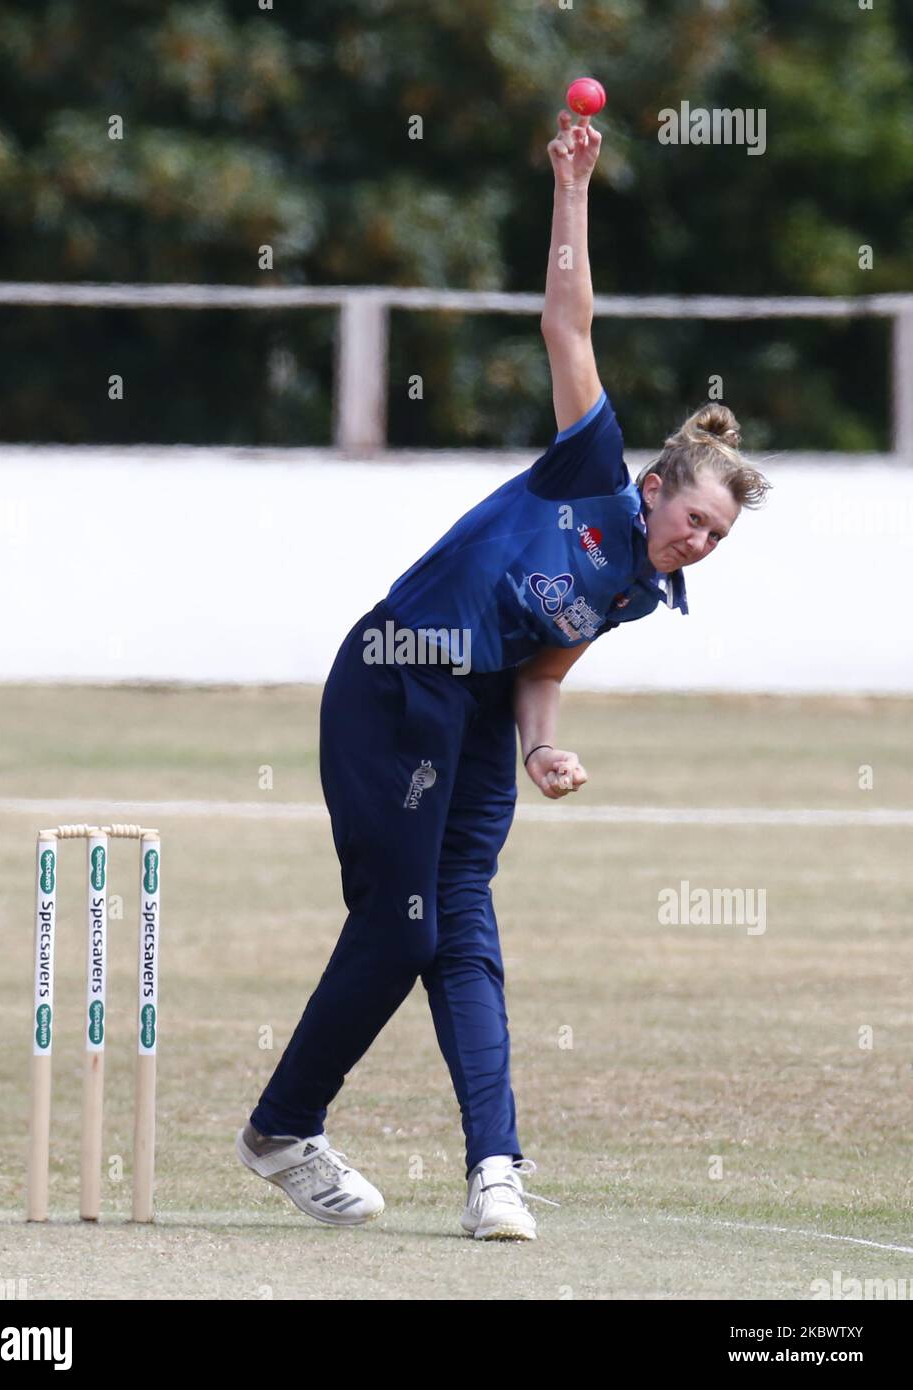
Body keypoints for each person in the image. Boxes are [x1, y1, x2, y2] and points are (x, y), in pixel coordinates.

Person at [237, 109, 772, 1241]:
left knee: (461, 929)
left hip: (478, 709)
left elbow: (545, 664)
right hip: (395, 675)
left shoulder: (636, 589)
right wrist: (571, 186)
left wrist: (540, 744)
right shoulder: (589, 467)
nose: (700, 543)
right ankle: (283, 1127)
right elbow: (563, 320)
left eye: (718, 539)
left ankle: (494, 1171)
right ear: (658, 485)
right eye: (695, 519)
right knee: (406, 927)